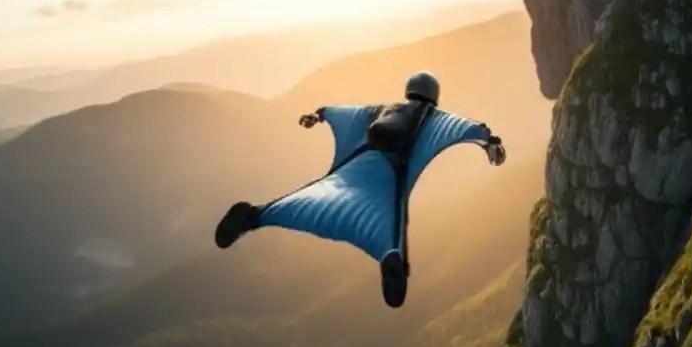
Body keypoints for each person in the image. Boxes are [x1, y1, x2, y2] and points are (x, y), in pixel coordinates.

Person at [214, 71, 506, 308]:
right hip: (386, 180)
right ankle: (391, 257)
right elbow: (469, 129)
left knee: (298, 200)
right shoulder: (435, 119)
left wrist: (317, 117)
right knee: (390, 233)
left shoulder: (378, 110)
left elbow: (339, 112)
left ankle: (255, 215)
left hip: (347, 173)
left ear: (409, 91)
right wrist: (491, 146)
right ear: (433, 97)